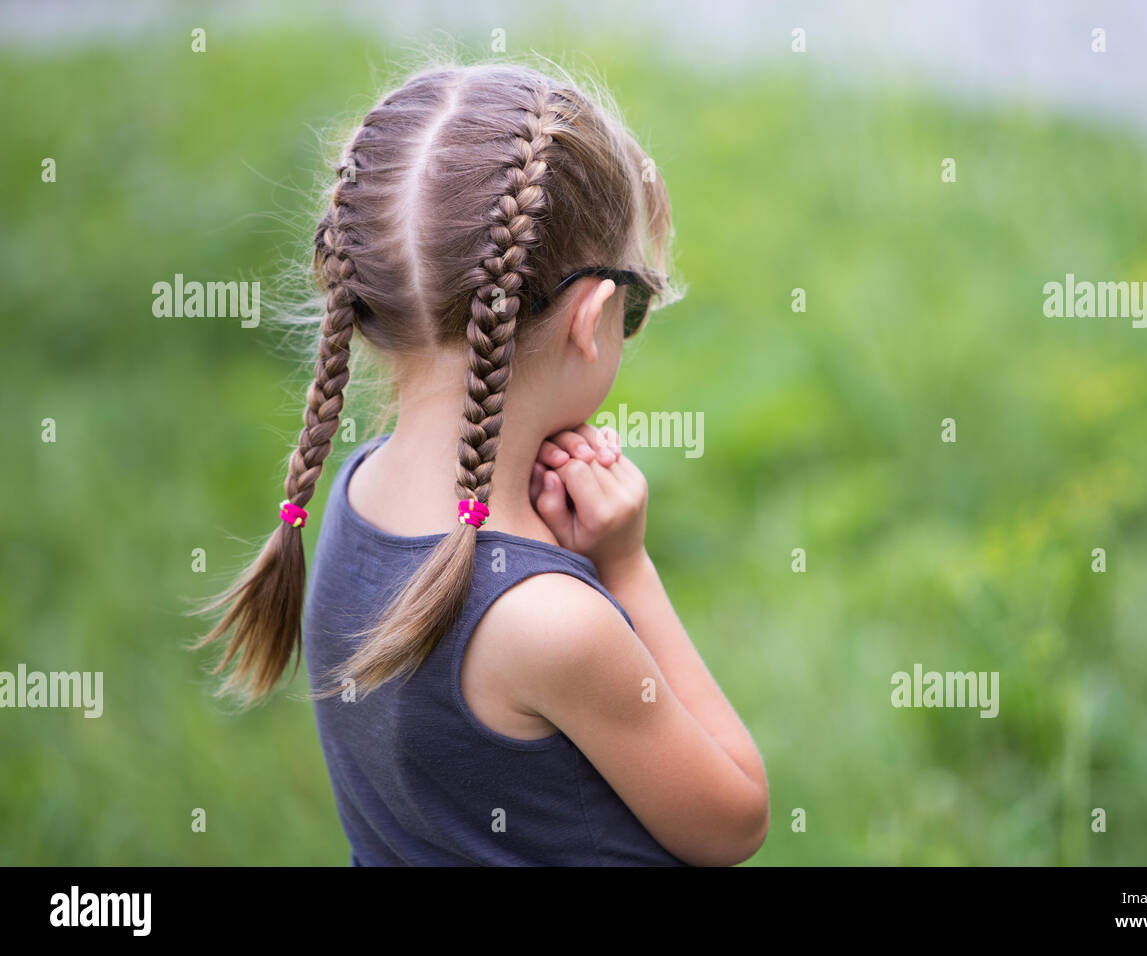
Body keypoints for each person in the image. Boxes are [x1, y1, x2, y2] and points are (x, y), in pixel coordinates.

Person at [195, 60, 768, 866]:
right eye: (633, 309)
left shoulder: (351, 494)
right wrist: (625, 567)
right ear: (591, 316)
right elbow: (735, 820)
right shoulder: (553, 622)